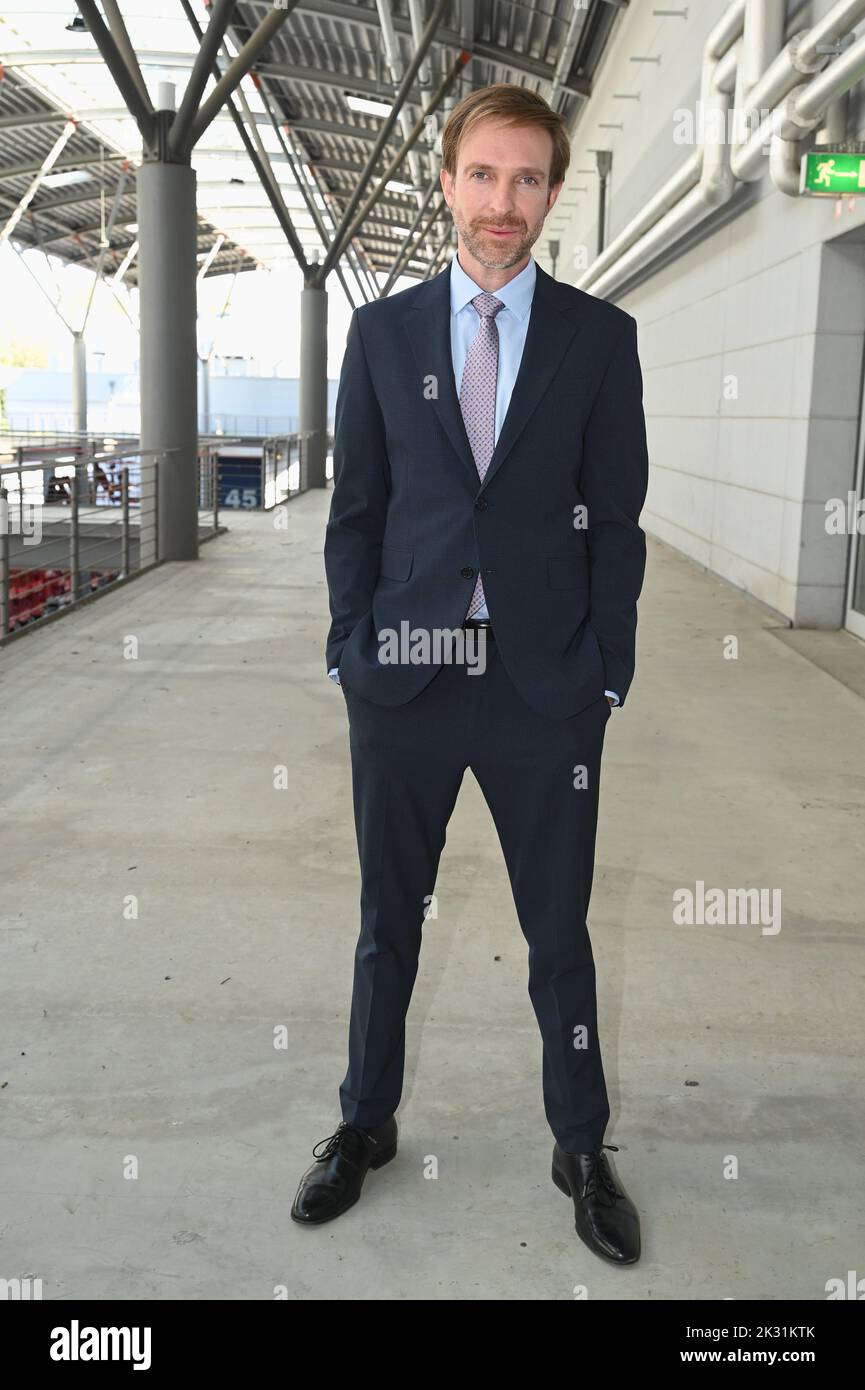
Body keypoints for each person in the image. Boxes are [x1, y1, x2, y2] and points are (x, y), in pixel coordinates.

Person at [293, 83, 649, 1266]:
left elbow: (619, 524)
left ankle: (580, 1144)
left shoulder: (600, 339)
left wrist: (607, 666)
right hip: (406, 673)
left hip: (545, 685)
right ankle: (363, 1121)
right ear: (445, 183)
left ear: (552, 190)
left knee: (559, 930)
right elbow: (358, 510)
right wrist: (352, 645)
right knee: (387, 919)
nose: (504, 205)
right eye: (483, 177)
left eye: (528, 179)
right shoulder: (383, 335)